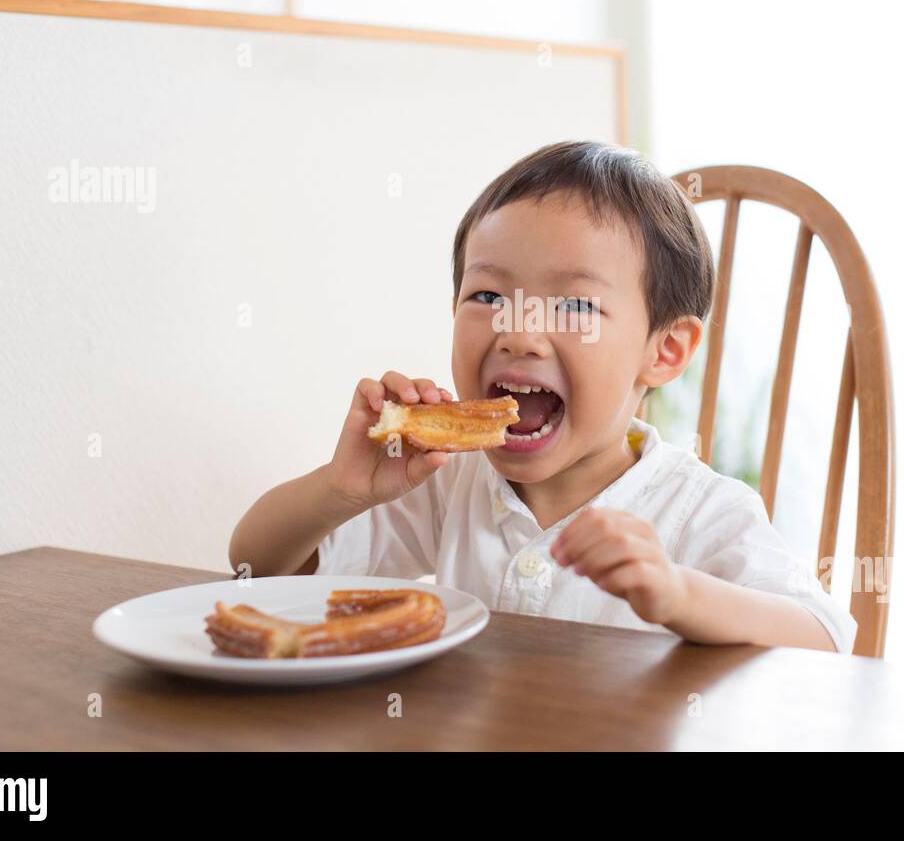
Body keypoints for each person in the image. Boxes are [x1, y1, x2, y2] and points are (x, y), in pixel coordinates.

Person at [229, 140, 857, 653]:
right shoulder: (448, 482)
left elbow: (825, 638)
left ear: (663, 351)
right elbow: (256, 566)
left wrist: (680, 594)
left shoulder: (699, 511)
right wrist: (340, 490)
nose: (518, 332)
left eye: (575, 306)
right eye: (488, 297)